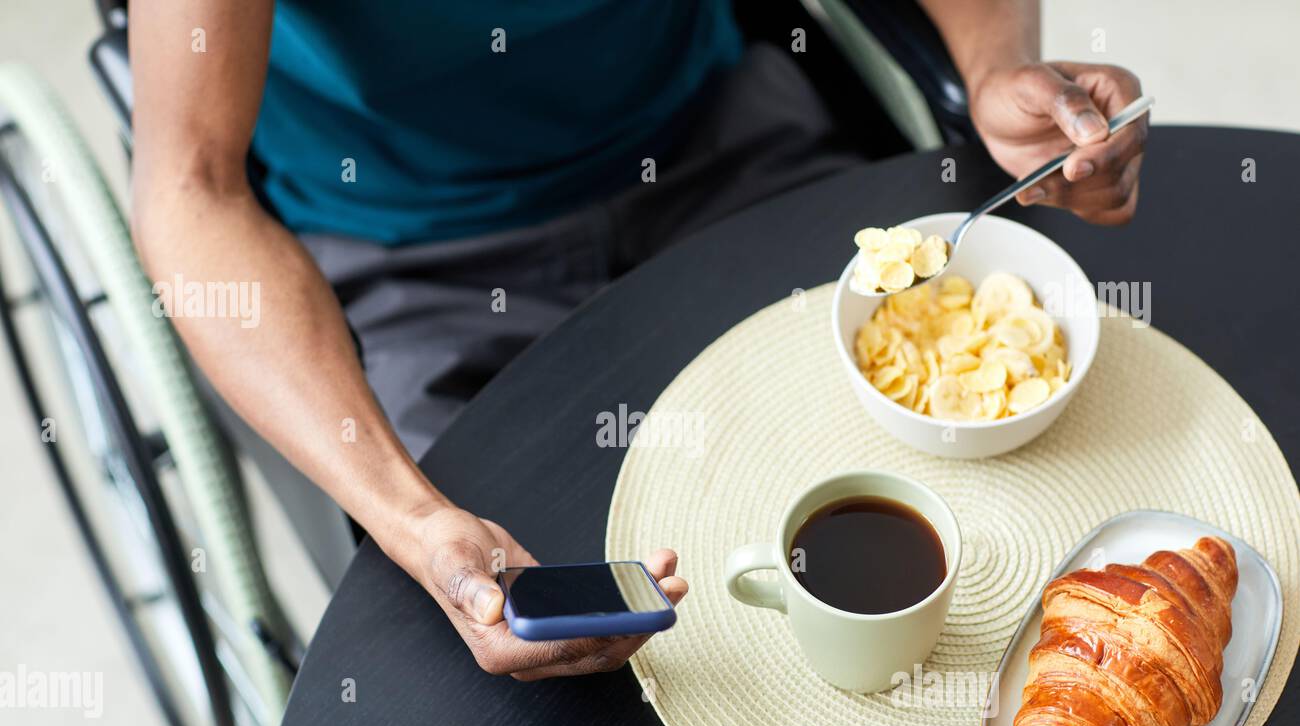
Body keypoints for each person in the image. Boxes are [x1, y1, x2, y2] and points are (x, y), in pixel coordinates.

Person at [129, 1, 1146, 680]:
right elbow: (187, 187)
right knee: (553, 665)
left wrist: (997, 65)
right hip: (413, 246)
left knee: (989, 506)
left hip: (715, 135)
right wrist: (409, 519)